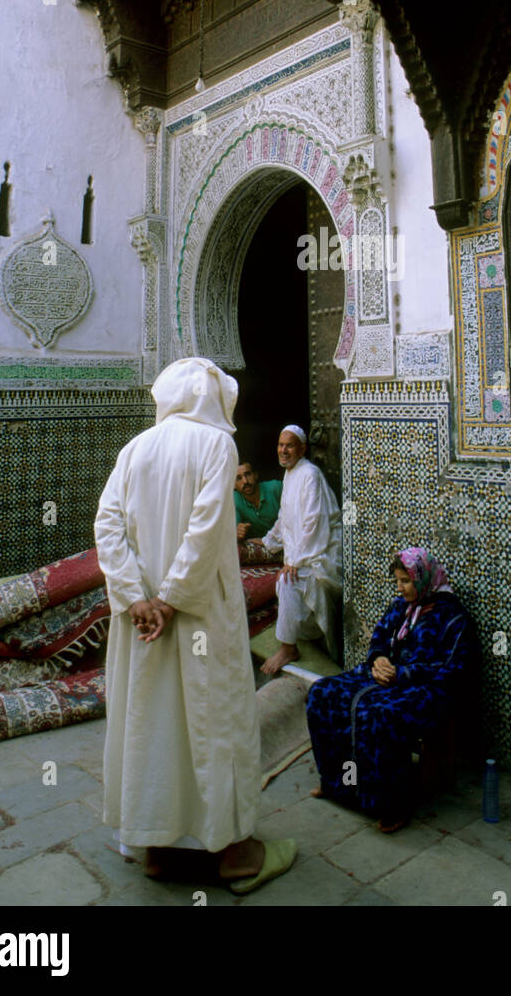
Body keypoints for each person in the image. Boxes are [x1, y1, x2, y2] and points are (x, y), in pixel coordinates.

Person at [93, 356, 296, 894]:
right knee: (217, 719)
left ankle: (155, 848)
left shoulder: (135, 448)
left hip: (142, 623)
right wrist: (172, 598)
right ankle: (236, 853)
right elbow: (208, 529)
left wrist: (138, 598)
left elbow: (106, 524)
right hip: (199, 613)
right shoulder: (215, 445)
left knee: (150, 720)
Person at [305, 547, 476, 833]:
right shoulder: (402, 607)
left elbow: (452, 669)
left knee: (379, 714)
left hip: (426, 689)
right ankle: (339, 784)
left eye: (405, 581)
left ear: (424, 579)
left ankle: (389, 804)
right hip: (385, 676)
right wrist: (380, 659)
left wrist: (402, 673)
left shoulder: (454, 618)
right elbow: (380, 637)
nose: (400, 588)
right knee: (323, 693)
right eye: (397, 581)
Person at [252, 425, 341, 676]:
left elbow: (315, 521)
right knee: (286, 580)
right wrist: (268, 541)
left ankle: (288, 648)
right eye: (281, 445)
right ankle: (296, 636)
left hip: (320, 554)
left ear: (302, 449)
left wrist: (297, 560)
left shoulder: (310, 474)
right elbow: (285, 518)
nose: (283, 450)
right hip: (303, 555)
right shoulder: (290, 475)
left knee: (288, 580)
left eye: (289, 445)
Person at [234, 461, 282, 540]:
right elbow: (234, 533)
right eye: (239, 478)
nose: (245, 481)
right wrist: (237, 532)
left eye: (248, 474)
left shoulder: (276, 488)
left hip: (286, 541)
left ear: (256, 475)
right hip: (259, 545)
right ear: (233, 485)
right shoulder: (233, 500)